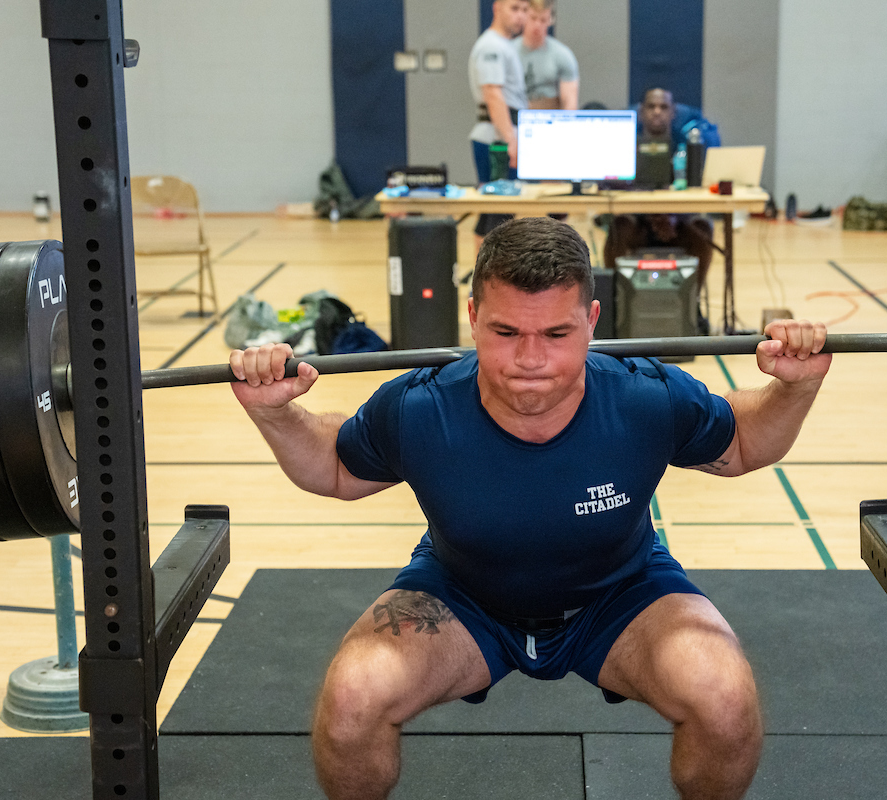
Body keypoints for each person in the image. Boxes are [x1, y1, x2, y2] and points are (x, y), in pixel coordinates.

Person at [229, 216, 831, 800]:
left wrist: (794, 386)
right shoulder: (420, 410)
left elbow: (745, 442)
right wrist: (274, 411)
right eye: (506, 333)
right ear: (472, 318)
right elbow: (335, 468)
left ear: (592, 321)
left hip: (620, 597)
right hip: (464, 598)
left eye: (556, 335)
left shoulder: (647, 399)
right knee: (351, 702)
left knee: (724, 701)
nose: (530, 360)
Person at [603, 88, 716, 329]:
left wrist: (673, 217)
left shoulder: (689, 146)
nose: (657, 112)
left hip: (677, 223)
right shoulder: (623, 146)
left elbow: (697, 193)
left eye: (663, 107)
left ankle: (691, 303)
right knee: (618, 227)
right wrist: (653, 214)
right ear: (641, 112)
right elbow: (610, 189)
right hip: (639, 224)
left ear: (673, 113)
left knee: (703, 227)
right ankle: (617, 306)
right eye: (651, 106)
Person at [468, 0, 530, 248]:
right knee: (495, 216)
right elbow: (493, 95)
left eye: (525, 10)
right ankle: (483, 284)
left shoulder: (505, 45)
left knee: (501, 217)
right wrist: (510, 141)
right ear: (497, 8)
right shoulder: (491, 46)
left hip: (506, 133)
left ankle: (490, 280)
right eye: (514, 9)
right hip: (496, 140)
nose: (521, 16)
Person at [514, 0, 579, 110]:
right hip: (515, 119)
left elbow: (570, 103)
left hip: (549, 120)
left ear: (550, 20)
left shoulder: (562, 55)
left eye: (543, 20)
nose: (537, 25)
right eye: (533, 18)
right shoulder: (509, 52)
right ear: (524, 16)